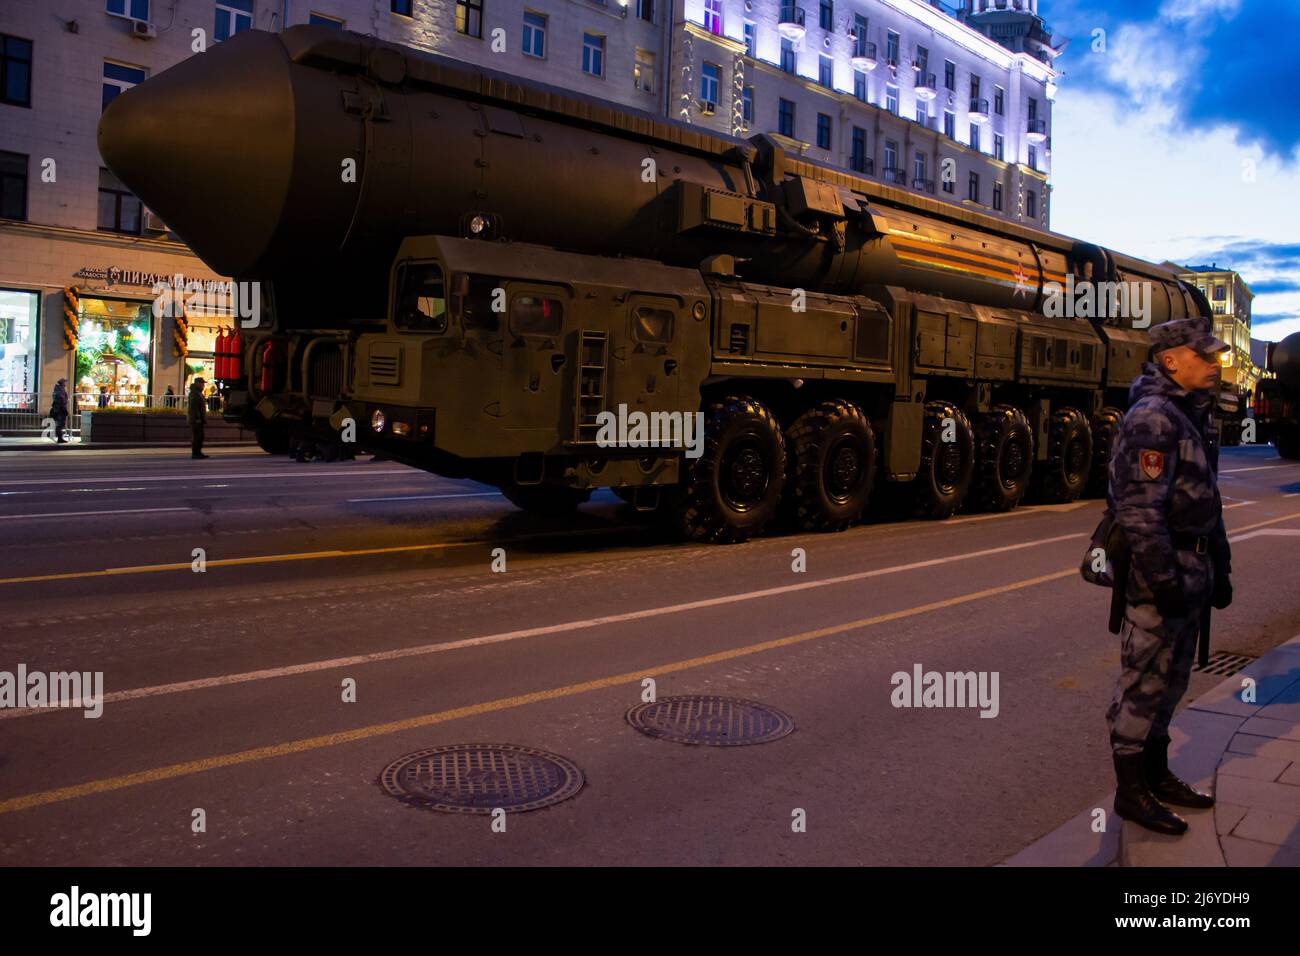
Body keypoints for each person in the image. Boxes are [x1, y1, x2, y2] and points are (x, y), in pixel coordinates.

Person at [1105, 316, 1233, 836]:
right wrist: (1164, 584)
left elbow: (1208, 501)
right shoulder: (1153, 418)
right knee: (1142, 683)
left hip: (1192, 570)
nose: (1215, 364)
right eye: (1204, 356)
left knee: (1172, 681)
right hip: (1162, 577)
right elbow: (1139, 513)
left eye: (1215, 355)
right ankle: (1130, 792)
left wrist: (1219, 568)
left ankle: (1156, 775)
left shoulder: (1189, 414)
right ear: (1171, 359)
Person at [187, 377, 209, 459]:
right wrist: (198, 418)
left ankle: (198, 452)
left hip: (198, 419)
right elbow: (194, 408)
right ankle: (195, 453)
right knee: (197, 436)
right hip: (196, 420)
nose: (203, 385)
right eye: (202, 383)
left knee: (200, 436)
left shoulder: (198, 393)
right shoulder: (194, 393)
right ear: (198, 383)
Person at [49, 378, 70, 443]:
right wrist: (63, 409)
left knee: (60, 424)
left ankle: (60, 437)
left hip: (59, 409)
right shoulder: (59, 390)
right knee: (60, 424)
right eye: (65, 382)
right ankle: (59, 437)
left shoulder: (59, 389)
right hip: (60, 410)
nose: (66, 384)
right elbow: (61, 400)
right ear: (62, 383)